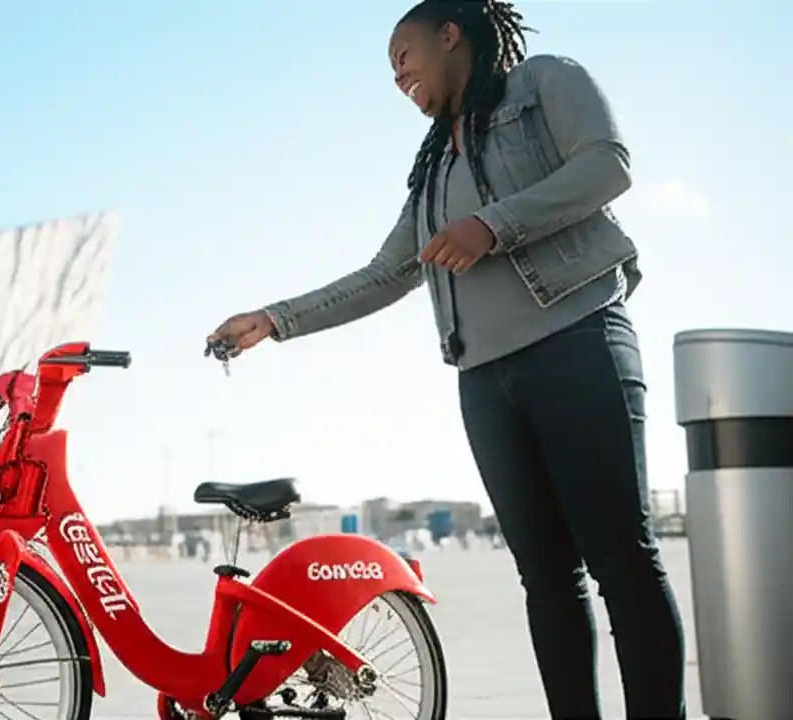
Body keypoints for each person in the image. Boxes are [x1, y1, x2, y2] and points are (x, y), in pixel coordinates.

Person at [207, 1, 686, 717]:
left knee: (623, 561)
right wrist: (274, 320)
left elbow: (607, 166)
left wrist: (493, 226)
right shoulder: (432, 168)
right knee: (547, 580)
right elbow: (382, 274)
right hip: (487, 380)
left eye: (403, 54)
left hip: (578, 342)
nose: (396, 74)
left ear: (451, 34)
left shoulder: (545, 82)